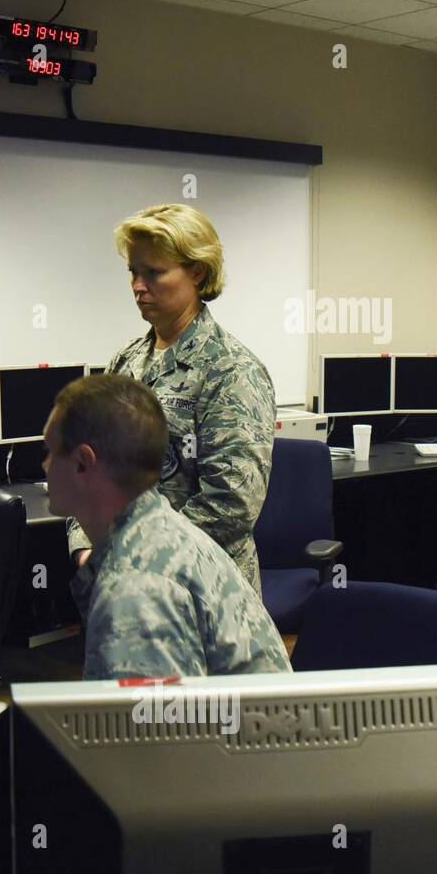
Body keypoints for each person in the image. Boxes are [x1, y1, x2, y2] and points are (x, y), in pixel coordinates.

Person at [68, 204, 276, 595]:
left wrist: (136, 559)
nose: (137, 286)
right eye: (133, 271)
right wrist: (84, 547)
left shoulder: (231, 371)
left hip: (201, 595)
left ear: (196, 271)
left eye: (153, 272)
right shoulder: (125, 361)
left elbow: (230, 505)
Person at [44, 373, 290, 679]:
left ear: (83, 462)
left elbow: (158, 724)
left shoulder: (137, 585)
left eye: (52, 452)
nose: (45, 466)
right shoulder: (161, 530)